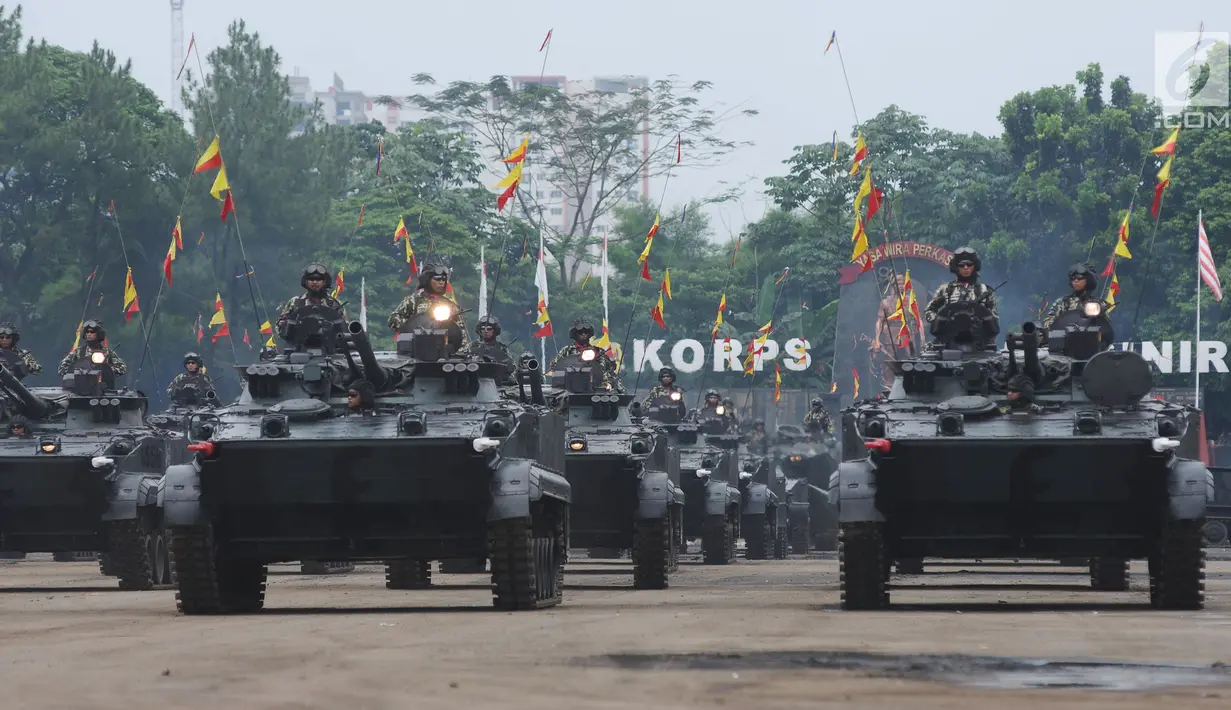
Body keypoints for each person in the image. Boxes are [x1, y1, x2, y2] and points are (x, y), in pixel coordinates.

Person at [387, 261, 469, 348]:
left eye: (444, 279)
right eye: (437, 279)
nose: (441, 282)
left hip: (443, 351)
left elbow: (461, 333)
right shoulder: (413, 301)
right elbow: (393, 319)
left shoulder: (450, 305)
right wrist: (412, 328)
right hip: (416, 350)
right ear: (426, 280)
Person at [924, 247, 998, 323]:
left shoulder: (985, 290)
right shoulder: (946, 289)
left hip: (977, 333)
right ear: (956, 267)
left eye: (969, 264)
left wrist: (980, 321)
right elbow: (929, 310)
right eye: (962, 265)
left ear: (975, 266)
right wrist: (941, 322)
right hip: (951, 332)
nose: (966, 267)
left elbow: (994, 318)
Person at [276, 263, 348, 340]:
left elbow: (345, 329)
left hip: (330, 347)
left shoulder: (334, 304)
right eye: (311, 279)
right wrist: (287, 325)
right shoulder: (296, 302)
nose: (314, 282)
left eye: (318, 279)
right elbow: (279, 328)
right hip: (301, 347)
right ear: (306, 281)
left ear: (324, 281)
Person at [547, 318, 621, 392]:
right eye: (580, 332)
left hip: (597, 388)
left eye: (586, 332)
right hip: (569, 388)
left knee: (620, 391)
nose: (584, 334)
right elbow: (555, 366)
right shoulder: (567, 351)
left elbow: (610, 370)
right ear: (575, 334)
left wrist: (609, 383)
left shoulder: (598, 351)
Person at [1041, 263, 1111, 333]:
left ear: (1089, 280)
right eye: (1073, 278)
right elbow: (1048, 322)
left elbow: (1106, 327)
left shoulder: (1097, 304)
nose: (1076, 280)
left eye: (1079, 277)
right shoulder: (1063, 303)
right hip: (1065, 340)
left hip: (1090, 341)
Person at [58, 320, 126, 376]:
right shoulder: (78, 352)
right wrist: (76, 372)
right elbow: (62, 368)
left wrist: (107, 370)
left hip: (103, 388)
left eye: (92, 332)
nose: (89, 334)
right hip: (79, 388)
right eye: (87, 332)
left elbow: (122, 368)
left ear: (98, 334)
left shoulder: (107, 353)